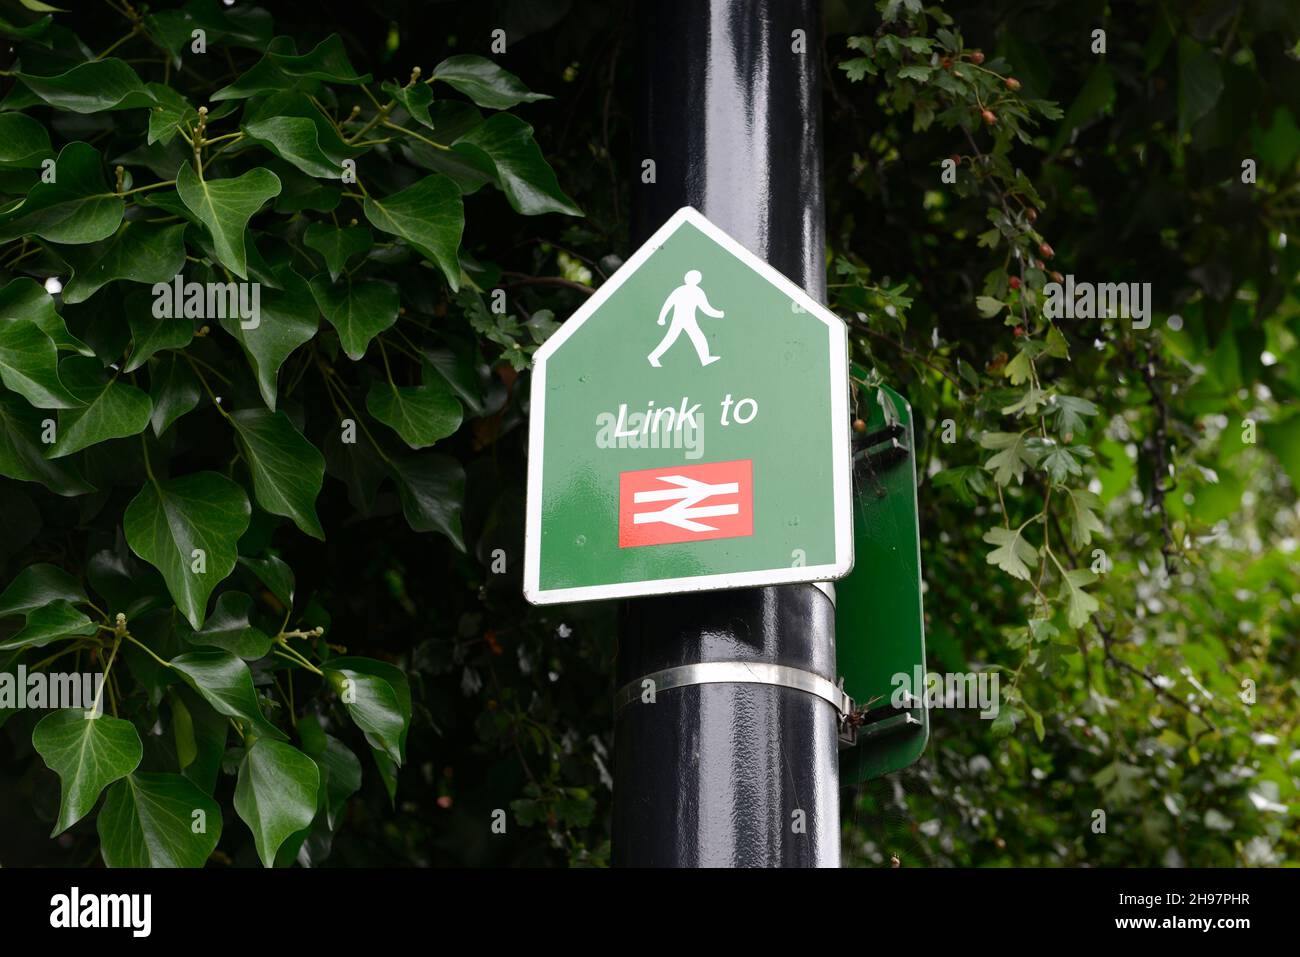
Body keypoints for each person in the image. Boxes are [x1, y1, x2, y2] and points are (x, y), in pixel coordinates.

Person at [647, 269, 724, 367]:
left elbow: (705, 308)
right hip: (681, 320)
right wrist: (661, 317)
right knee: (671, 339)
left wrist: (718, 314)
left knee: (696, 337)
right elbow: (668, 304)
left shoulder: (690, 291)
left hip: (688, 320)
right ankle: (653, 356)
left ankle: (705, 358)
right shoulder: (692, 291)